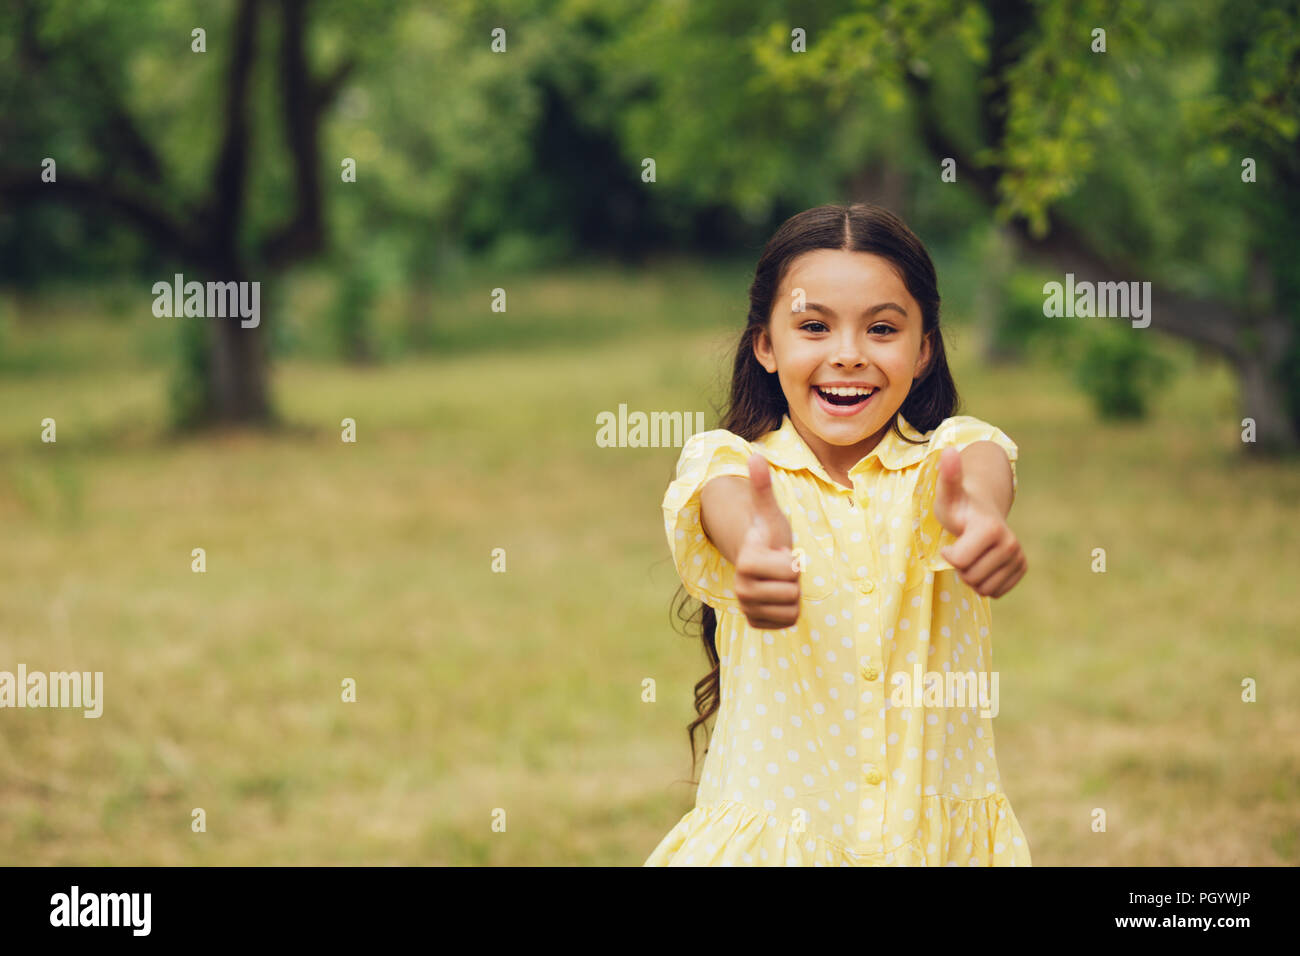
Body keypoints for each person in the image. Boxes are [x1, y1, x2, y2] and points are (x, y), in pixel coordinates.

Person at [645, 203, 1031, 866]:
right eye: (814, 327)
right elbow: (725, 501)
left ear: (924, 348)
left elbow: (981, 469)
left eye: (882, 329)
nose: (847, 356)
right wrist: (754, 553)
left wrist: (981, 517)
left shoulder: (949, 459)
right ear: (766, 344)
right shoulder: (732, 464)